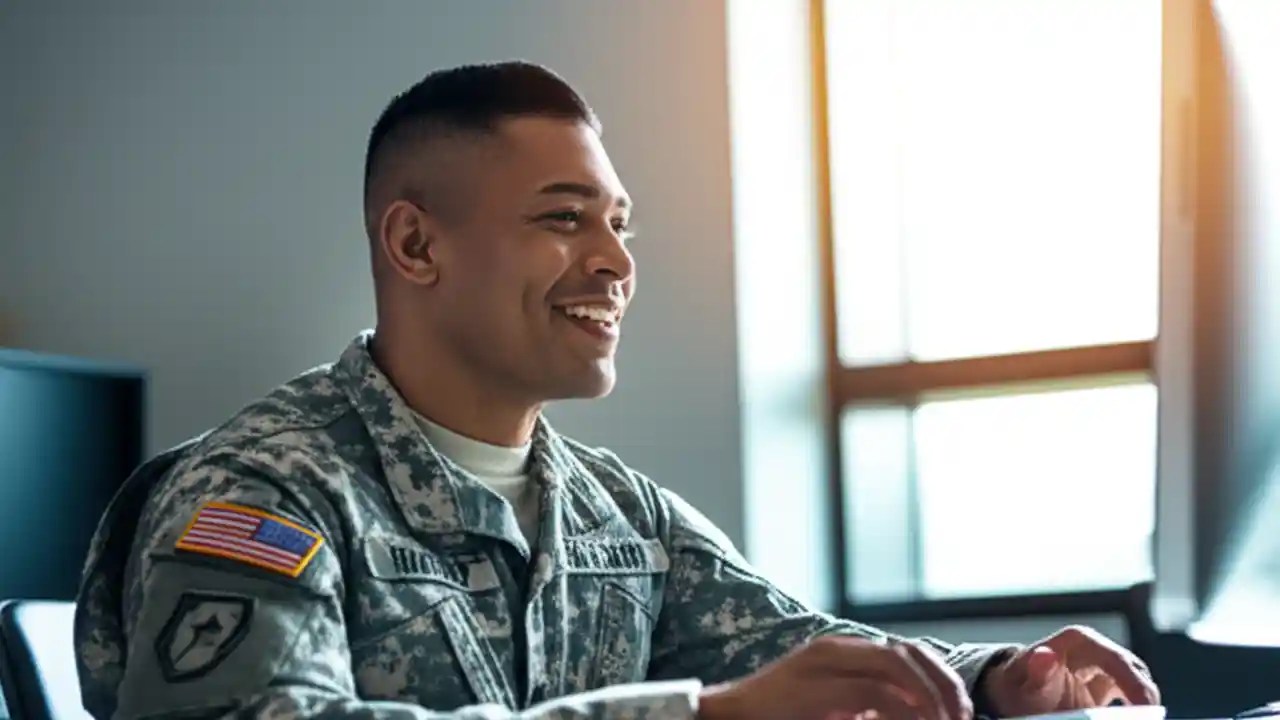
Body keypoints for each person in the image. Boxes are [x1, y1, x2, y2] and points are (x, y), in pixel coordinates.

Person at [75, 61, 1160, 720]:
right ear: (413, 244)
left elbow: (799, 657)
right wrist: (691, 717)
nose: (613, 263)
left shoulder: (611, 511)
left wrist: (999, 677)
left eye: (618, 225)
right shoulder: (265, 492)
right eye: (561, 218)